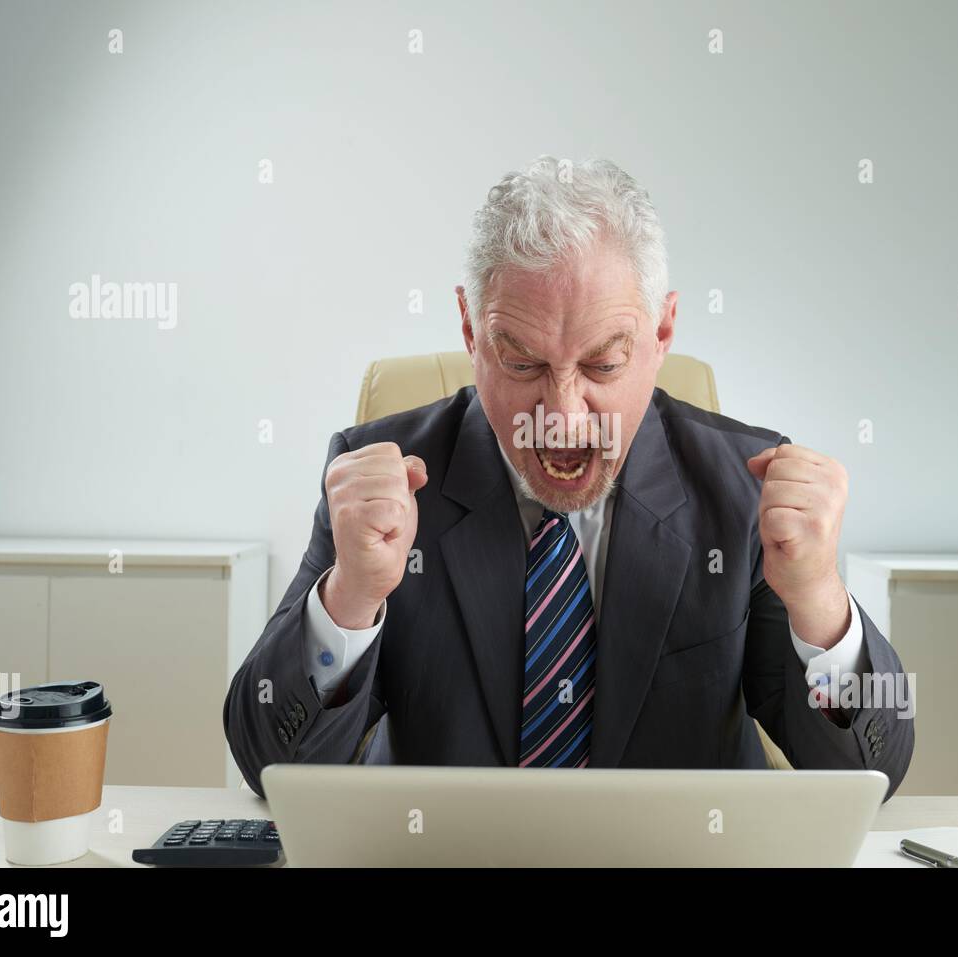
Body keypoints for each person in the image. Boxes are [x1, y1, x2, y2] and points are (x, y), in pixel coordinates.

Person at [223, 156, 914, 799]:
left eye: (602, 366)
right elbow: (266, 764)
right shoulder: (381, 475)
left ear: (662, 334)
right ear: (471, 330)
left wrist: (821, 601)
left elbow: (881, 765)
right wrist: (350, 595)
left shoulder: (743, 490)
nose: (561, 414)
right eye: (522, 364)